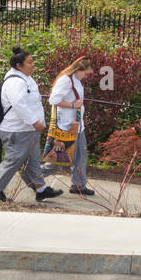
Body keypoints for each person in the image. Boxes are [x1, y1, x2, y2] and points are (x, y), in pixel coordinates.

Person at [0, 47, 64, 203]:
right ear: (19, 66)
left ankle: (41, 189)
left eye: (32, 61)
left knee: (32, 161)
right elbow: (19, 104)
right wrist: (34, 122)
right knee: (14, 161)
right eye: (29, 62)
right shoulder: (16, 82)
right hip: (17, 130)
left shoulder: (25, 79)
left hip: (28, 130)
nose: (33, 65)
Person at [45, 56, 96, 195]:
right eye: (85, 73)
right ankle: (33, 178)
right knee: (56, 162)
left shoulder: (77, 81)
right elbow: (53, 100)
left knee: (80, 157)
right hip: (65, 127)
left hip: (77, 126)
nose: (86, 76)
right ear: (79, 70)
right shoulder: (66, 80)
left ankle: (78, 185)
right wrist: (73, 105)